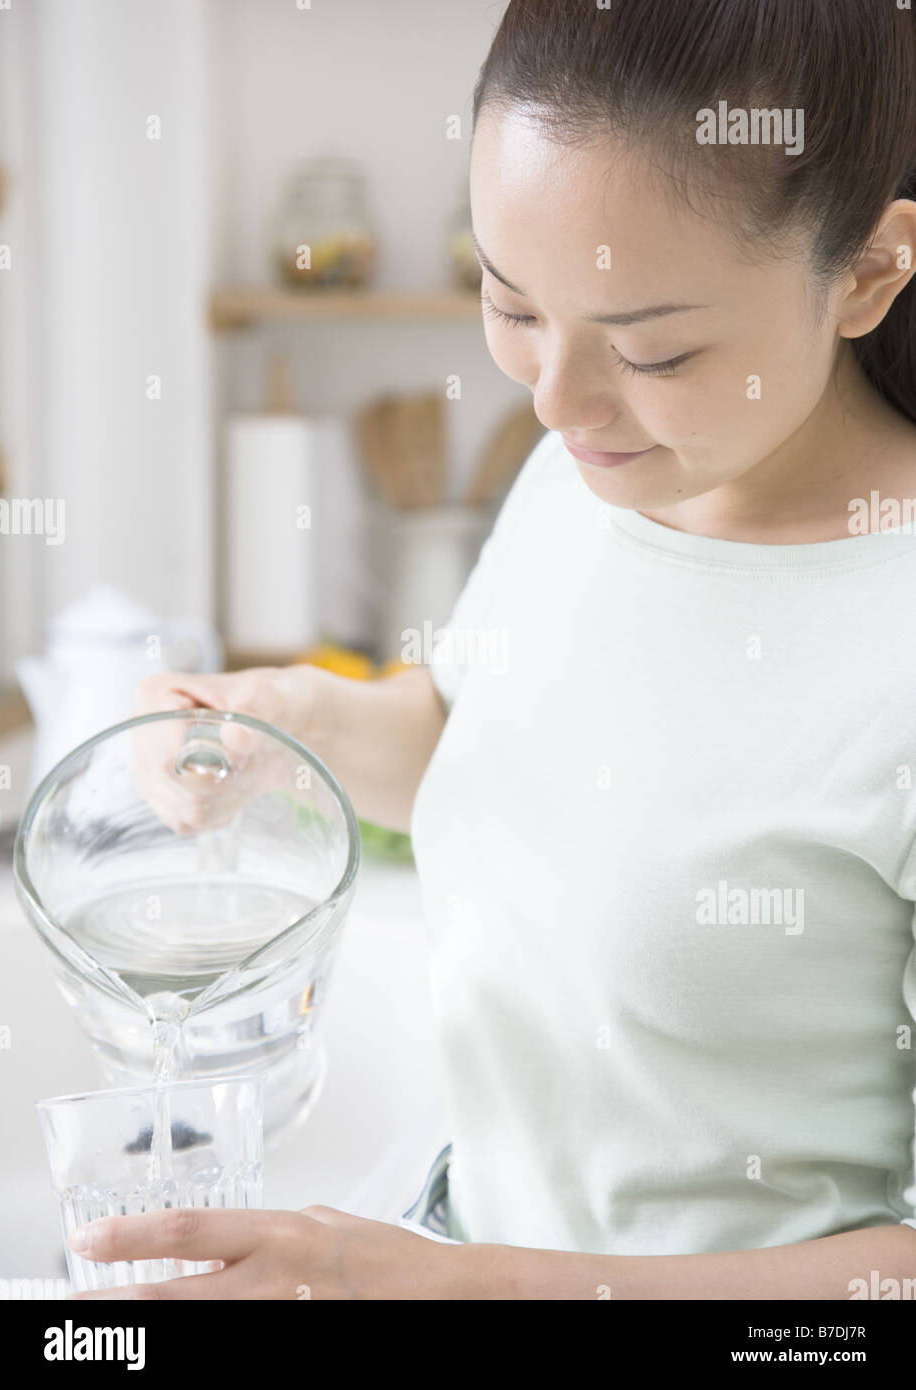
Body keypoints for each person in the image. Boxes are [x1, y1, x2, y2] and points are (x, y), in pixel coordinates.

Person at [74, 0, 916, 1299]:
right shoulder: (594, 473)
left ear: (867, 274)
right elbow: (478, 740)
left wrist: (471, 1287)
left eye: (652, 347)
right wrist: (277, 724)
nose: (553, 400)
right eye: (510, 302)